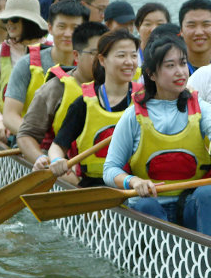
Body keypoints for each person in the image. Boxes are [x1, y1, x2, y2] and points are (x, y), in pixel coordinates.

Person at [103, 34, 211, 241]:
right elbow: (110, 170)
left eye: (182, 63)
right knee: (145, 204)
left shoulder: (201, 109)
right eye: (170, 65)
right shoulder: (132, 116)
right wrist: (134, 182)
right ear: (151, 74)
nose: (180, 71)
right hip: (149, 206)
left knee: (208, 192)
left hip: (190, 204)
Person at [48, 30, 141, 186]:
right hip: (93, 186)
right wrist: (57, 160)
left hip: (137, 186)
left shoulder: (146, 101)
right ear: (102, 60)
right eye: (121, 55)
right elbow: (57, 146)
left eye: (133, 55)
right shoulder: (83, 104)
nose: (129, 62)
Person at [18, 22, 108, 168]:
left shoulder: (122, 88)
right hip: (64, 167)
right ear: (76, 55)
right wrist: (42, 159)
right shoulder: (54, 89)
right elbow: (26, 135)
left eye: (106, 54)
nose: (102, 60)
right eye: (94, 54)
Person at [2, 0, 90, 135]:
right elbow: (10, 116)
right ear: (50, 28)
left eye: (75, 28)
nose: (68, 34)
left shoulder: (91, 67)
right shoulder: (26, 64)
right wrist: (35, 142)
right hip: (32, 143)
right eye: (62, 26)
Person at [0, 0, 48, 139]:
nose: (9, 23)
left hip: (46, 133)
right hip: (10, 133)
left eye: (14, 19)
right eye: (7, 19)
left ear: (30, 22)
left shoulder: (50, 51)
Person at [178, 0, 211, 73]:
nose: (199, 32)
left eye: (206, 25)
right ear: (181, 30)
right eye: (191, 25)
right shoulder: (169, 69)